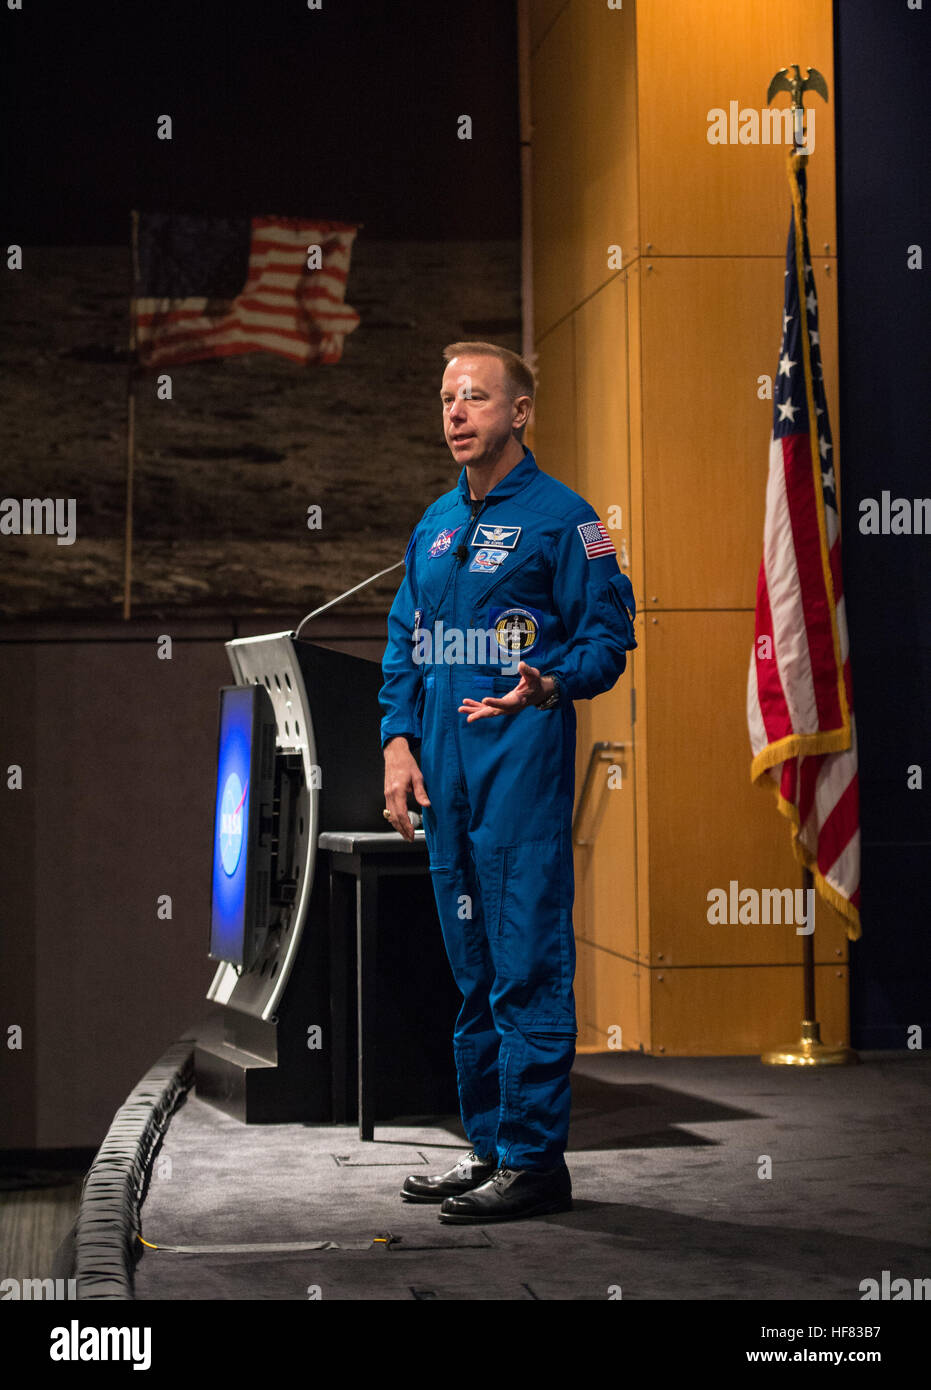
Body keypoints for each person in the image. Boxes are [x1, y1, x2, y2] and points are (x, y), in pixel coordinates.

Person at [379, 341, 636, 1223]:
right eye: (446, 398)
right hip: (444, 784)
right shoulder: (434, 526)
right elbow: (403, 647)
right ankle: (489, 1149)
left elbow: (608, 641)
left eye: (475, 398)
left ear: (518, 412)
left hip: (516, 783)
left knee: (526, 968)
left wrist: (551, 682)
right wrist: (396, 745)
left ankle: (534, 1163)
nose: (455, 413)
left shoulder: (567, 521)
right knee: (477, 973)